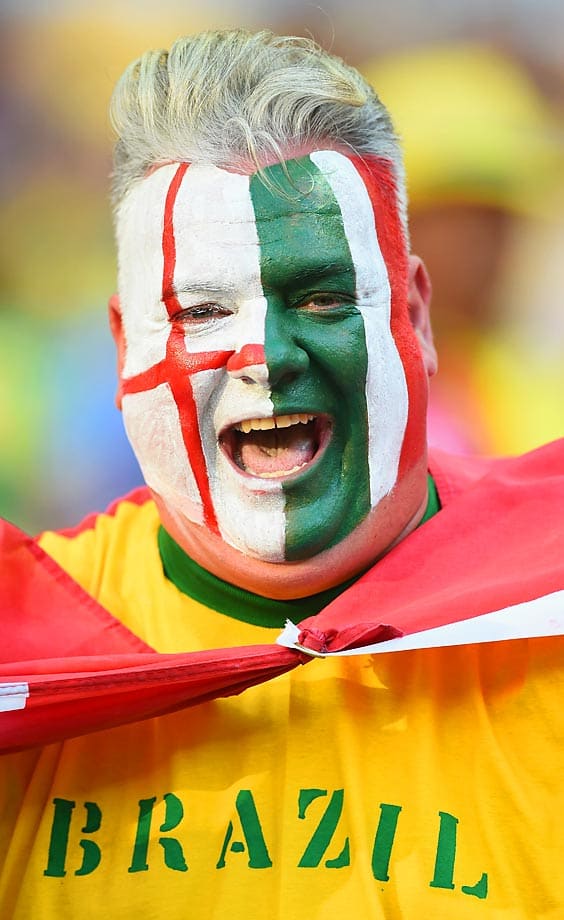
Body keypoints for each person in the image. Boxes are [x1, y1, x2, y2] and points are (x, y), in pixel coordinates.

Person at [1, 29, 564, 919]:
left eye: (322, 297)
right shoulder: (21, 665)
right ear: (120, 347)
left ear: (414, 315)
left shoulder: (548, 616)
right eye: (200, 309)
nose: (265, 356)